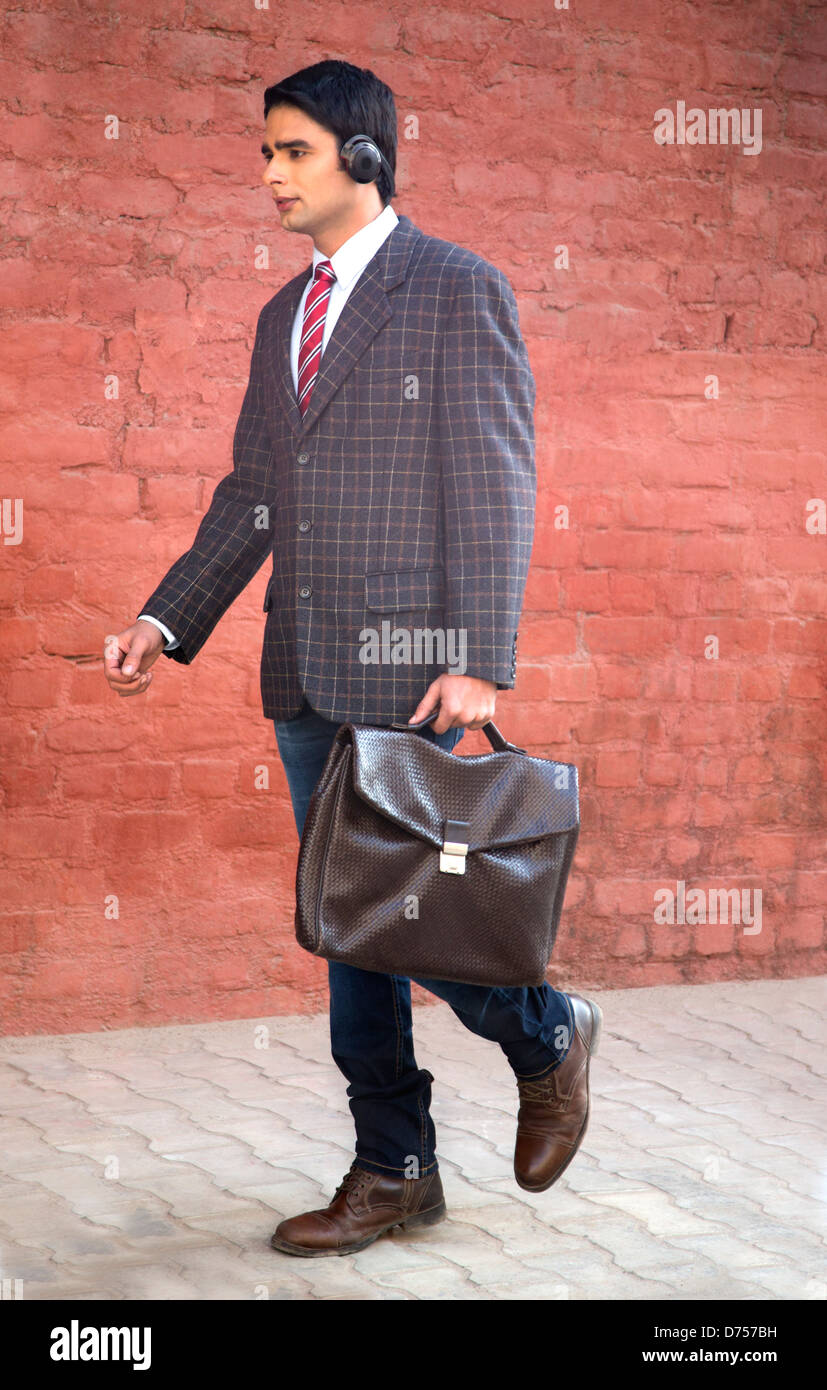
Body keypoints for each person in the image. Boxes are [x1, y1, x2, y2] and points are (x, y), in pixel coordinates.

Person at [103, 59, 601, 1258]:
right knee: (345, 923)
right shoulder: (285, 314)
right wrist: (164, 618)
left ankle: (540, 1035)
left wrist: (483, 657)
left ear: (363, 157)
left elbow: (494, 477)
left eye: (292, 152)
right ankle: (396, 1167)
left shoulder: (452, 290)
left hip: (415, 664)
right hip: (302, 668)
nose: (269, 174)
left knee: (406, 917)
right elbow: (256, 492)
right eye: (266, 152)